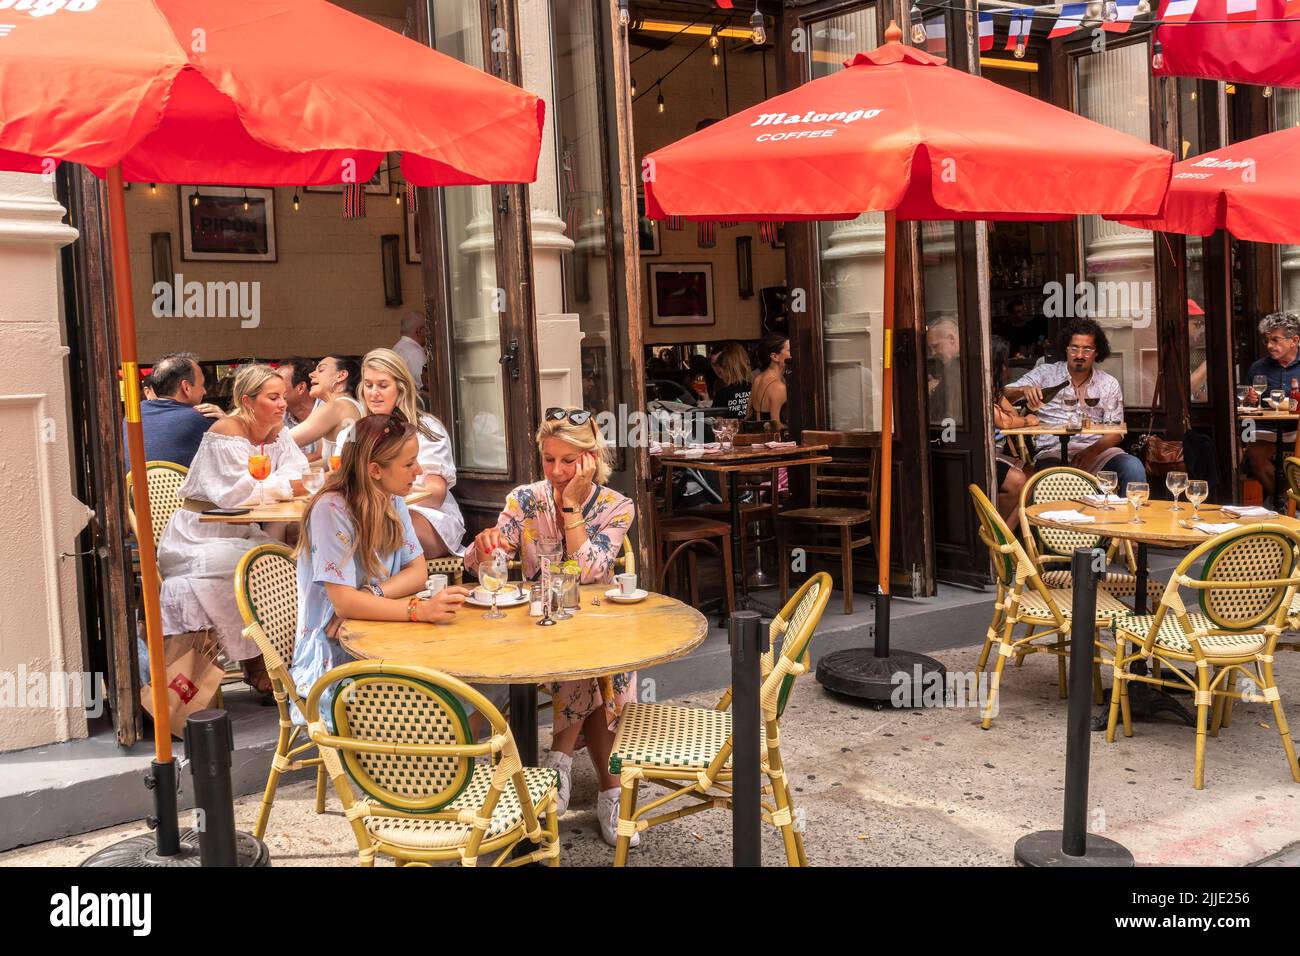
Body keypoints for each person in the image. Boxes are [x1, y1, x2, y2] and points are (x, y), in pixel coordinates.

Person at [462, 407, 636, 847]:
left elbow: (592, 571)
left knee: (594, 666)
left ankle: (557, 761)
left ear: (592, 459)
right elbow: (482, 560)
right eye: (549, 459)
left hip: (596, 626)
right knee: (590, 670)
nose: (556, 471)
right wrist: (485, 549)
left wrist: (572, 506)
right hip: (536, 629)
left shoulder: (617, 507)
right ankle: (610, 791)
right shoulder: (524, 499)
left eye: (568, 461)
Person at [289, 414, 470, 720]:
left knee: (475, 681)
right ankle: (429, 762)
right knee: (454, 690)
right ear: (375, 470)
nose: (420, 470)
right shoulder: (330, 510)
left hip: (388, 635)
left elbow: (418, 573)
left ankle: (448, 763)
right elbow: (344, 604)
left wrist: (370, 595)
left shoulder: (391, 499)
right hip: (336, 659)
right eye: (409, 463)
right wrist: (418, 611)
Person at [157, 364, 309, 693]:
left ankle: (270, 662)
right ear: (248, 401)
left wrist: (277, 483)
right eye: (273, 397)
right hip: (197, 536)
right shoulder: (226, 431)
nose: (283, 404)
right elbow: (238, 492)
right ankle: (260, 666)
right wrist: (284, 485)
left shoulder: (277, 431)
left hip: (237, 532)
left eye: (283, 396)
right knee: (260, 564)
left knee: (282, 561)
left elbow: (299, 470)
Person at [336, 348, 464, 557]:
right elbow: (340, 479)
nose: (373, 393)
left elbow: (435, 493)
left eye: (383, 385)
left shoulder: (426, 428)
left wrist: (384, 500)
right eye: (368, 385)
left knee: (386, 523)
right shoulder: (351, 434)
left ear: (401, 388)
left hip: (425, 515)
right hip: (364, 514)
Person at [1003, 318, 1146, 493]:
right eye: (1074, 348)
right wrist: (1023, 390)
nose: (1079, 355)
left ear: (1096, 352)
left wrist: (1090, 453)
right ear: (1066, 348)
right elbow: (1004, 394)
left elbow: (1116, 432)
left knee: (1133, 467)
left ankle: (1128, 519)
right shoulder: (1045, 373)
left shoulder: (1108, 383)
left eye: (1087, 349)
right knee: (1054, 482)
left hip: (1097, 452)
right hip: (1053, 450)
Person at [123, 352, 223, 468]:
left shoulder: (132, 417)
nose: (204, 392)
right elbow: (241, 456)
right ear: (186, 387)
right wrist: (226, 420)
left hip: (137, 486)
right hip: (185, 486)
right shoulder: (204, 417)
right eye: (201, 385)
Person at [1243, 311, 1300, 500]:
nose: (1269, 346)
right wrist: (1250, 399)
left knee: (1296, 466)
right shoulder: (1257, 368)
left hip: (1298, 428)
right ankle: (1284, 501)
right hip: (1267, 429)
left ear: (1294, 340)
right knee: (1254, 455)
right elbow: (1251, 403)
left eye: (1275, 340)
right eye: (1267, 340)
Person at [989, 336, 1036, 525]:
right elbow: (1005, 423)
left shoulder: (991, 388)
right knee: (1018, 481)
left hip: (996, 451)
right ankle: (998, 536)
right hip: (984, 452)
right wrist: (1026, 421)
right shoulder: (975, 385)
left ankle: (1007, 537)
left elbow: (1009, 413)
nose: (1005, 369)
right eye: (1003, 363)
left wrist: (1002, 398)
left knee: (1033, 475)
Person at [289, 355, 363, 464]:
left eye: (321, 370)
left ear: (341, 375)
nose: (311, 374)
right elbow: (329, 462)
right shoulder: (352, 405)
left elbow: (283, 441)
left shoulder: (336, 407)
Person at [277, 356, 319, 458]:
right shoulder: (279, 416)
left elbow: (324, 457)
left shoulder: (326, 409)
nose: (272, 387)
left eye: (279, 382)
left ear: (300, 388)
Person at [926, 316, 962, 425]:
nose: (932, 353)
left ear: (951, 339)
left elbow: (951, 413)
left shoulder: (958, 367)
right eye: (930, 348)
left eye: (935, 346)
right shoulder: (952, 366)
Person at [750, 334, 789, 428]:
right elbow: (776, 426)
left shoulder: (757, 379)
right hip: (771, 440)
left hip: (757, 437)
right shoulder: (779, 387)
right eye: (789, 350)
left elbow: (749, 413)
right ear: (775, 357)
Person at [711, 342, 752, 418]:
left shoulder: (721, 393)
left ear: (725, 369)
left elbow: (717, 423)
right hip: (753, 429)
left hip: (730, 429)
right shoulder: (755, 388)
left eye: (720, 371)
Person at [392, 311, 428, 391]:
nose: (429, 333)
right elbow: (424, 386)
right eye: (427, 328)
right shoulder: (416, 353)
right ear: (419, 331)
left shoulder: (396, 348)